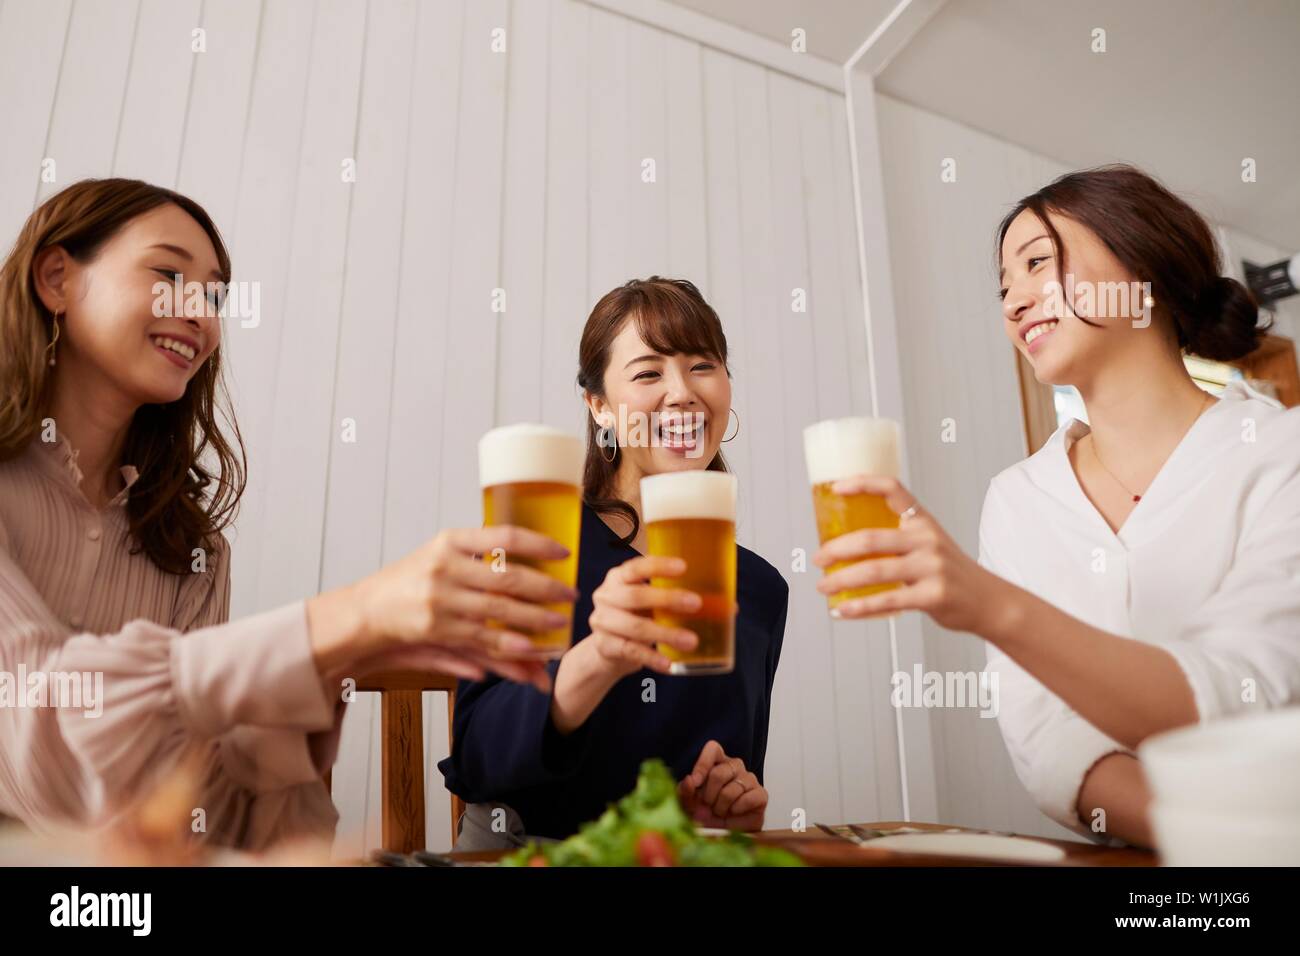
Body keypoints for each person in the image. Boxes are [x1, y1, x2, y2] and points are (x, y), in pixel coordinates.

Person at [0, 178, 568, 851]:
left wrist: (322, 670)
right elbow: (28, 724)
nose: (200, 313)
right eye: (167, 273)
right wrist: (342, 618)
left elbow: (198, 810)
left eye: (215, 296)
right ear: (57, 278)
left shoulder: (188, 549)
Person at [813, 165, 1300, 847]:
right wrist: (1200, 837)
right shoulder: (1018, 498)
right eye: (1004, 286)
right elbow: (1048, 736)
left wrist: (991, 605)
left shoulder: (1282, 452)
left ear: (1141, 262)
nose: (1013, 303)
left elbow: (1243, 687)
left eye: (1037, 263)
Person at [440, 277, 789, 846]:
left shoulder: (760, 588)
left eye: (703, 366)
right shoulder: (534, 543)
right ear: (598, 406)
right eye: (648, 373)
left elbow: (726, 777)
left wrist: (723, 806)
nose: (682, 393)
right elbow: (480, 758)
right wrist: (599, 658)